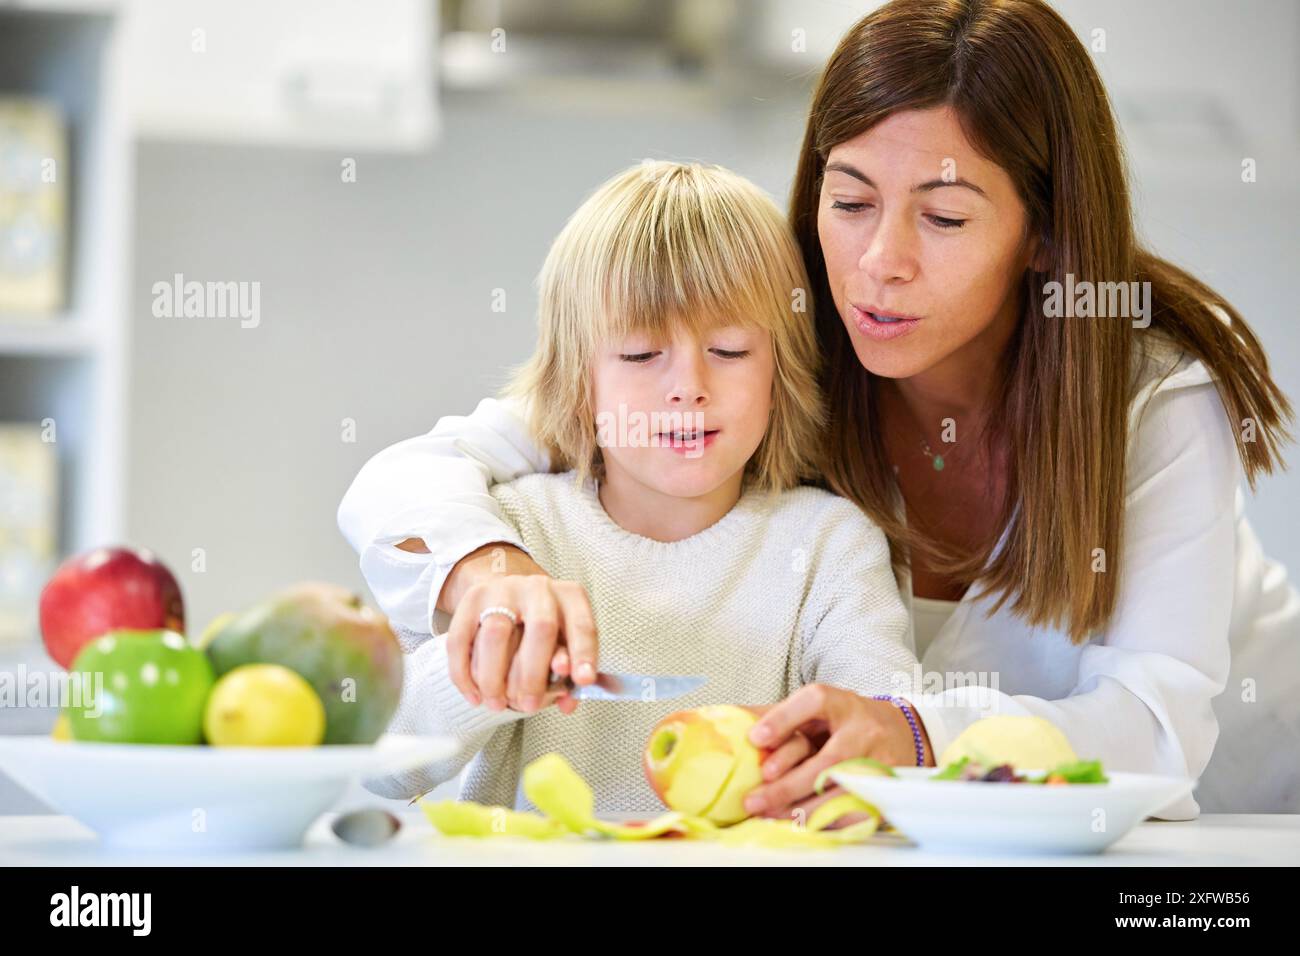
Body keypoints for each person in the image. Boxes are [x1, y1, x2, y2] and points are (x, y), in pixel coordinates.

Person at [341, 0, 1298, 818]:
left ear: (1044, 234)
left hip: (1237, 802)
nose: (882, 260)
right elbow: (424, 471)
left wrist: (913, 732)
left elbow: (1160, 729)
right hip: (963, 829)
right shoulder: (770, 338)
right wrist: (487, 571)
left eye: (946, 216)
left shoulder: (1156, 394)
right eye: (850, 201)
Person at [360, 160, 932, 815]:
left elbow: (884, 730)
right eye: (639, 355)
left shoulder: (829, 545)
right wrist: (486, 673)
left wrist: (823, 761)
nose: (688, 385)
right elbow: (386, 765)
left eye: (729, 351)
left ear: (782, 373)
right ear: (579, 382)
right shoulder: (512, 533)